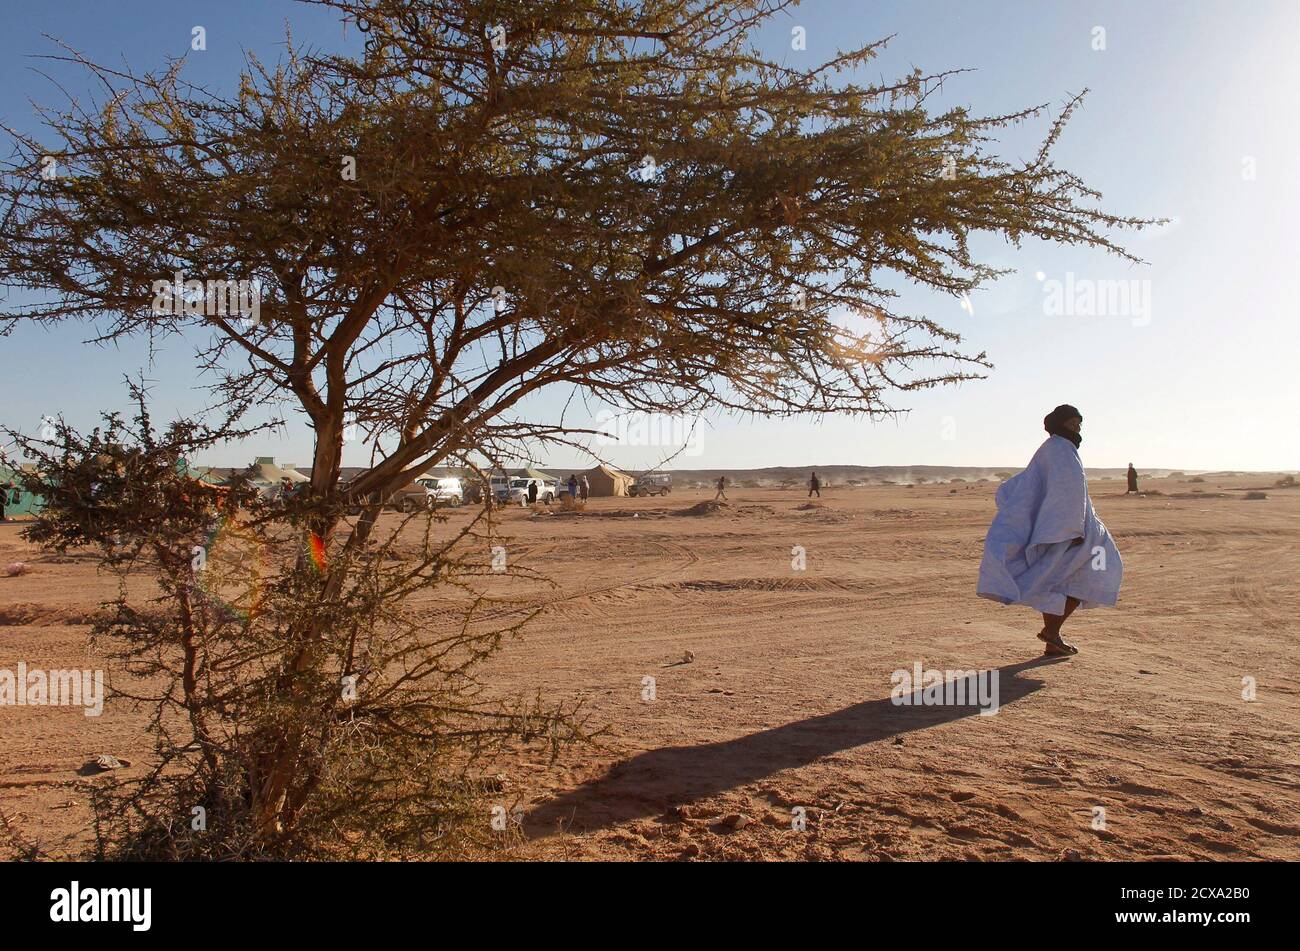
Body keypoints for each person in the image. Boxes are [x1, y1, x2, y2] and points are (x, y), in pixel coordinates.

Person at [977, 404, 1123, 656]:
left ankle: (1052, 639)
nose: (1077, 428)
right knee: (1093, 572)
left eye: (1079, 423)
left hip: (1063, 527)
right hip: (1072, 531)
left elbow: (1028, 484)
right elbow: (1067, 493)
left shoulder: (1052, 449)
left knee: (1057, 580)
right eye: (1072, 423)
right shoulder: (1062, 450)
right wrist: (1071, 530)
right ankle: (1052, 634)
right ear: (1059, 424)